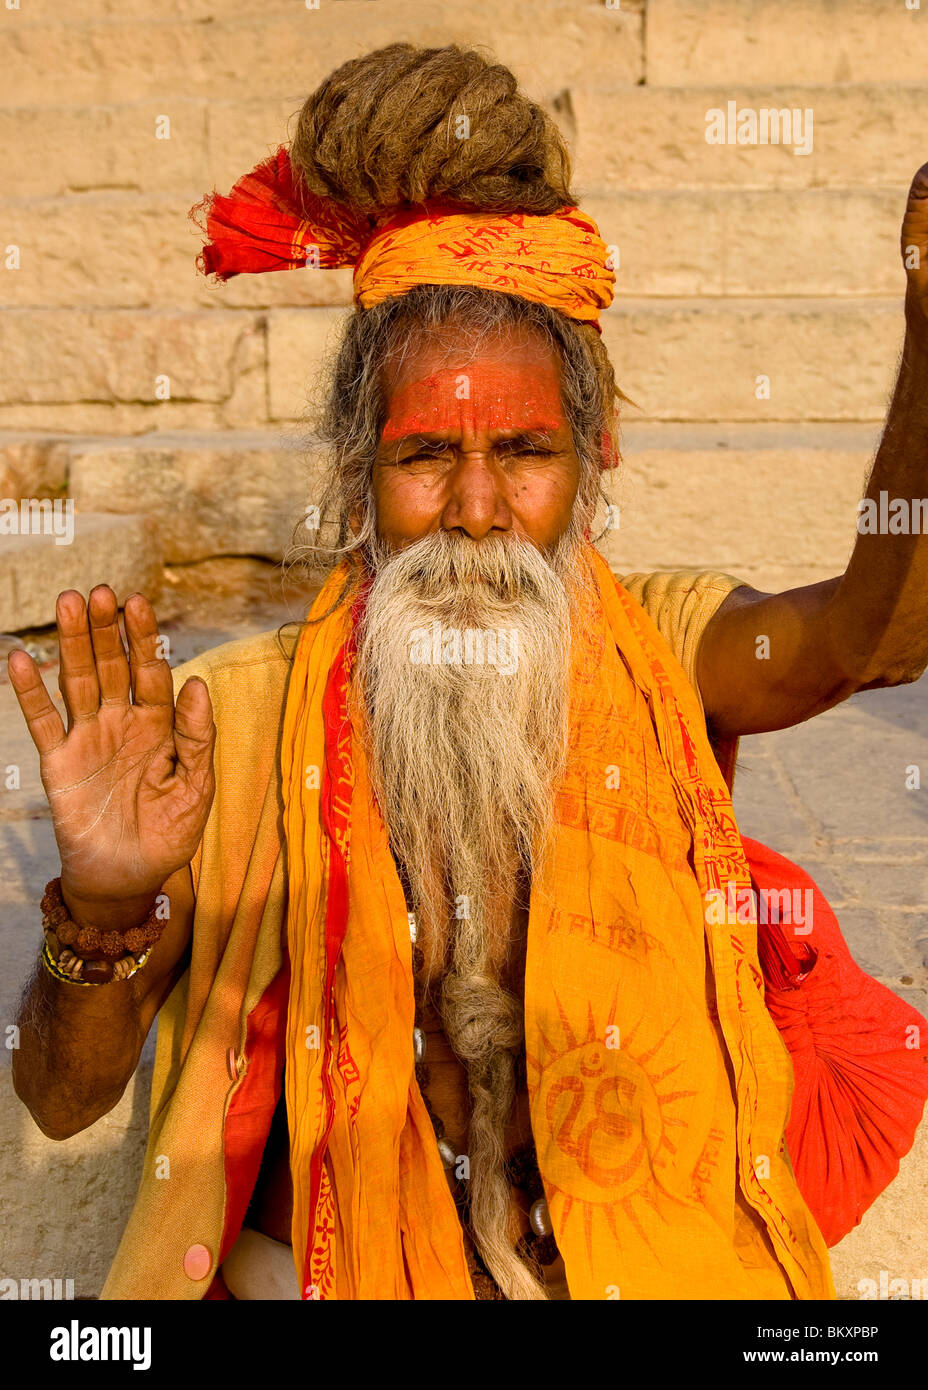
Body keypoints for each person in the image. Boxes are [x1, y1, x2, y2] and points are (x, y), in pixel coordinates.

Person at [8, 43, 928, 1302]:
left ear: (596, 458)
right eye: (426, 454)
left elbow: (871, 641)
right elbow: (63, 1100)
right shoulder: (249, 714)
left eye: (529, 453)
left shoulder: (663, 646)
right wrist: (101, 911)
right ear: (354, 472)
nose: (478, 509)